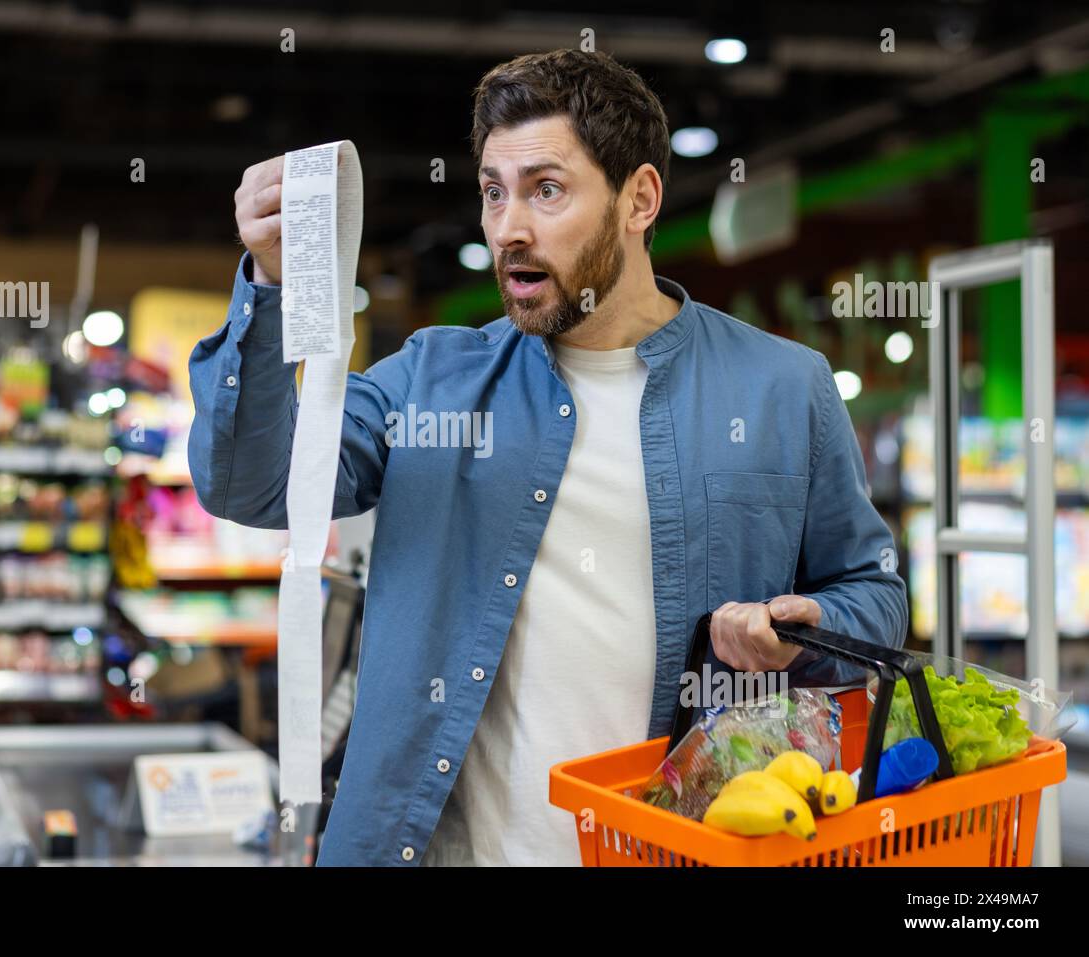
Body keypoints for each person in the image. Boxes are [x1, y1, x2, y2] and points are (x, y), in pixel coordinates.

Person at [188, 48, 907, 867]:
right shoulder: (430, 381)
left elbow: (872, 594)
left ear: (639, 198)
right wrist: (270, 287)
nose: (508, 228)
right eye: (494, 192)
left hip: (679, 844)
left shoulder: (782, 387)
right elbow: (250, 482)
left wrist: (808, 633)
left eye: (546, 189)